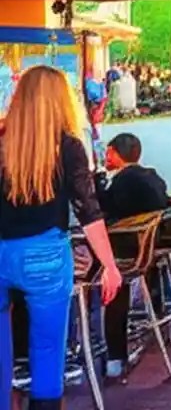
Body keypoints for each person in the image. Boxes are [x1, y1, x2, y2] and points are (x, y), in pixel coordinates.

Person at [0, 66, 122, 409]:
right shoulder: (68, 146)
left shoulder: (2, 139)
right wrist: (109, 265)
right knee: (48, 347)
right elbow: (88, 211)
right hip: (44, 254)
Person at [97, 133, 168, 379]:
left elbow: (106, 211)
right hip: (150, 251)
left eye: (108, 152)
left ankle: (113, 355)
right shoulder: (153, 177)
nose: (105, 157)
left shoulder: (122, 182)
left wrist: (97, 185)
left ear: (117, 154)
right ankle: (159, 321)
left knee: (106, 274)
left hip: (125, 254)